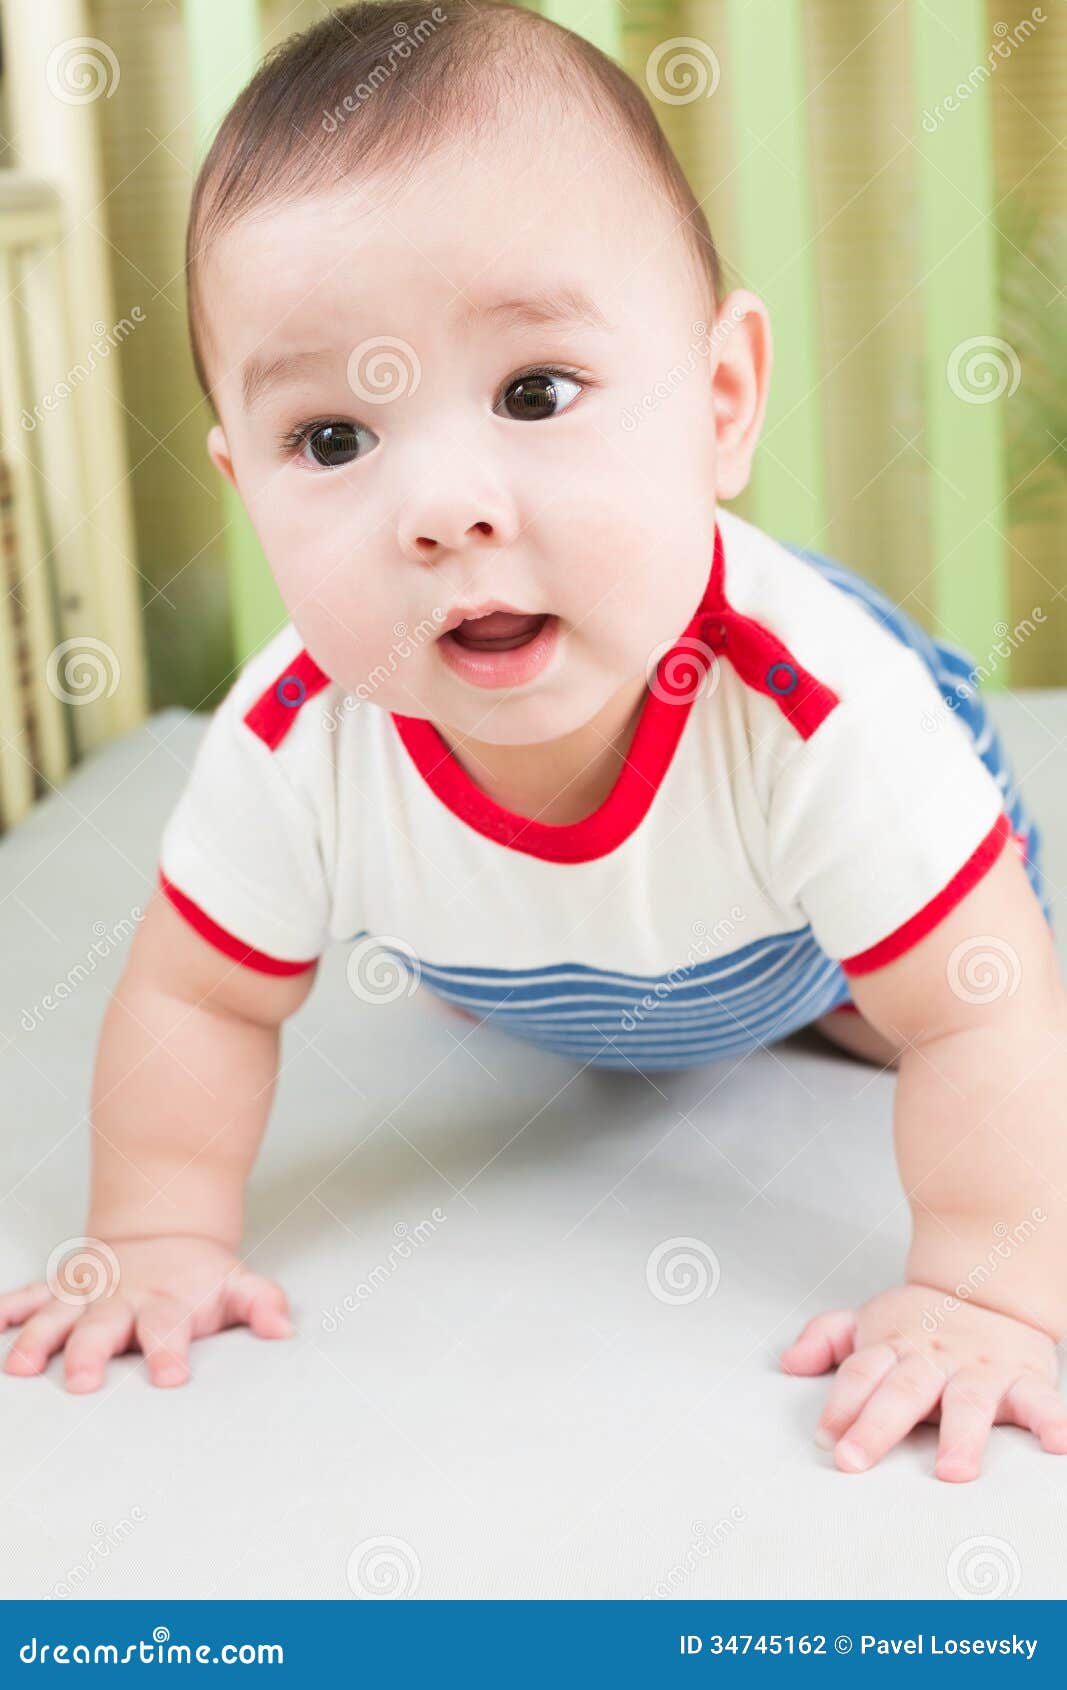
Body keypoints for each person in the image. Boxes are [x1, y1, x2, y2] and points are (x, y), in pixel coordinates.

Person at [4, 1, 1066, 1486]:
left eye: (534, 392)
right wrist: (154, 1230)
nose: (443, 504)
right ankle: (537, 951)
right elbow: (196, 998)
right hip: (565, 960)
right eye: (333, 439)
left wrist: (979, 1291)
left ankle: (808, 983)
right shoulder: (301, 732)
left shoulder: (819, 709)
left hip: (802, 935)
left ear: (720, 405)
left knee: (925, 1005)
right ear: (247, 483)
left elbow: (983, 1012)